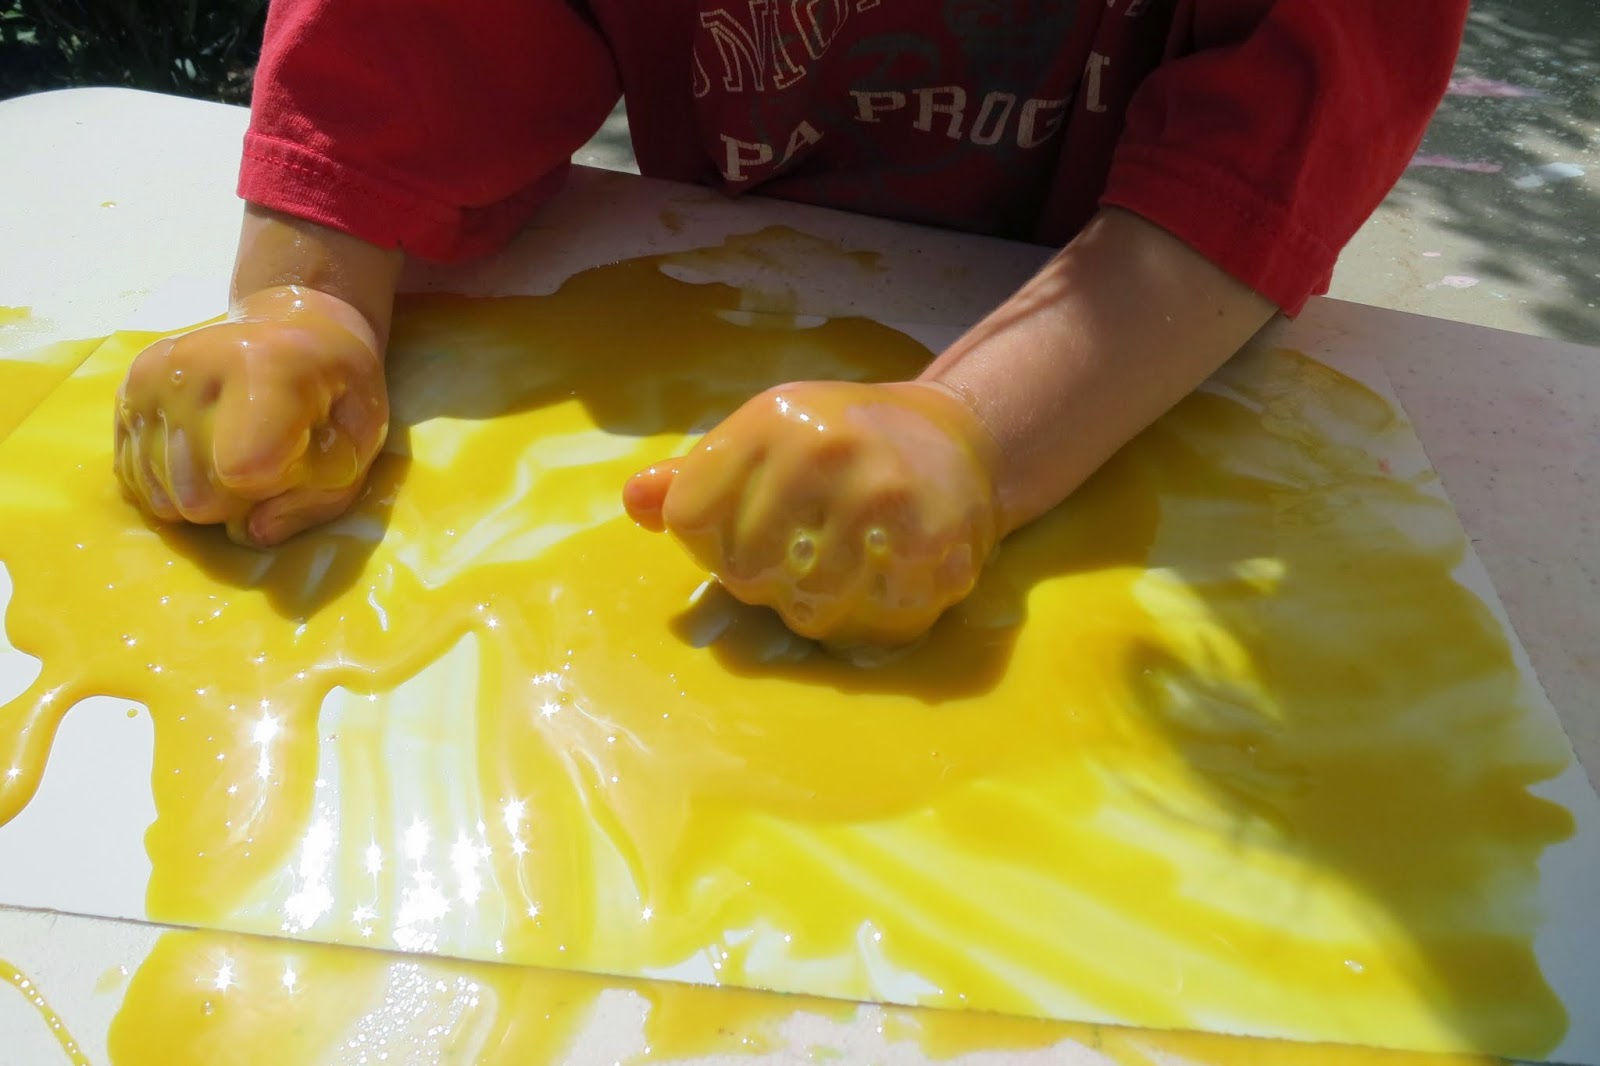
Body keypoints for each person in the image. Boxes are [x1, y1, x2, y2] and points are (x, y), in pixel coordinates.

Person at [113, 0, 1469, 648]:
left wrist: (981, 437)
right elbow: (408, 47)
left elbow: (1257, 172)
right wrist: (309, 296)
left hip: (1163, 414)